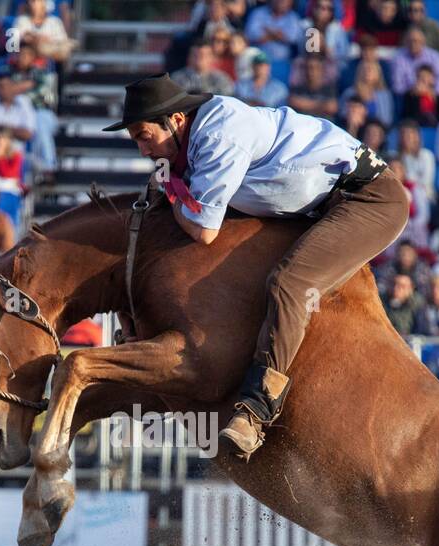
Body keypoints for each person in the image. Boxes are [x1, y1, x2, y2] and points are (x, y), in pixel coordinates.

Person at [106, 74, 409, 458]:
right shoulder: (195, 137)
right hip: (320, 203)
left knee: (290, 284)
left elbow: (203, 229)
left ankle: (257, 409)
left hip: (368, 201)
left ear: (177, 120)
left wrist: (172, 191)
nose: (141, 149)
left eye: (143, 135)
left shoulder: (218, 135)